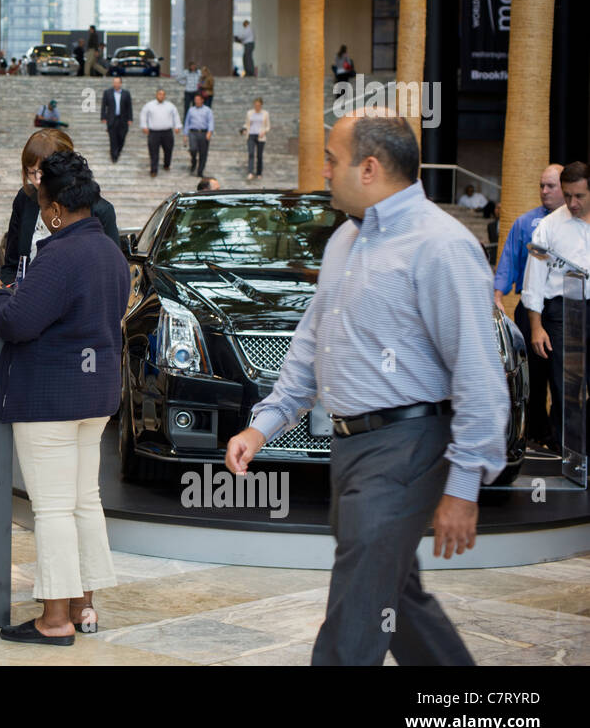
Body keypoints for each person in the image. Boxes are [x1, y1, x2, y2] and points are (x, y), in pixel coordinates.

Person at [227, 110, 507, 666]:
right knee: (395, 598)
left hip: (407, 448)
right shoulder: (345, 241)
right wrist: (266, 423)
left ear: (370, 167)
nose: (324, 171)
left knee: (355, 614)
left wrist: (465, 485)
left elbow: (479, 371)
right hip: (352, 447)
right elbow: (313, 342)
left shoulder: (441, 246)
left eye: (332, 160)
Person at [0, 151, 129, 645]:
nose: (41, 212)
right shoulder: (110, 251)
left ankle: (55, 620)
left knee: (53, 509)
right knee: (86, 501)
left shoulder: (60, 254)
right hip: (97, 397)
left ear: (57, 208)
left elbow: (17, 322)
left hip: (52, 400)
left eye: (43, 204)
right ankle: (84, 607)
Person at [522, 162, 590, 458]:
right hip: (562, 313)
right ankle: (572, 456)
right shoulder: (549, 226)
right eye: (569, 195)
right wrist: (536, 326)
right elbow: (533, 281)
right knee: (567, 389)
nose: (573, 203)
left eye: (580, 196)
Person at [494, 165, 563, 452]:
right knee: (531, 376)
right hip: (530, 307)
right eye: (541, 186)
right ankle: (534, 435)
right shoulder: (526, 223)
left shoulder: (576, 224)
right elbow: (508, 260)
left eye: (551, 186)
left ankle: (560, 439)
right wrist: (497, 294)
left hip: (563, 309)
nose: (544, 191)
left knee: (560, 377)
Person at [0, 129, 121, 285]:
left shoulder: (100, 211)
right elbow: (11, 265)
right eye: (31, 172)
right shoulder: (25, 199)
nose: (37, 180)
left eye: (42, 172)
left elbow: (111, 275)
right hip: (28, 300)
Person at [138, 87, 180, 177]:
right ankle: (153, 170)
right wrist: (144, 126)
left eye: (163, 94)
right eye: (159, 94)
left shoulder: (170, 106)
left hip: (167, 132)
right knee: (153, 152)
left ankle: (166, 164)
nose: (161, 96)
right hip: (154, 132)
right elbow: (143, 115)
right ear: (156, 95)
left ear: (165, 96)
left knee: (168, 150)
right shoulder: (149, 105)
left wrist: (177, 126)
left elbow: (176, 116)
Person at [99, 75, 133, 162]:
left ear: (121, 83)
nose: (116, 84)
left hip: (123, 119)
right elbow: (103, 106)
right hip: (111, 119)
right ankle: (114, 155)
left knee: (122, 137)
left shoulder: (126, 93)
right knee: (113, 138)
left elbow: (129, 107)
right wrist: (103, 117)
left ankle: (118, 150)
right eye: (114, 82)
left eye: (118, 82)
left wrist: (130, 118)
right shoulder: (107, 92)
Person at [184, 92, 214, 177]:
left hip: (203, 132)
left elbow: (210, 122)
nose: (196, 101)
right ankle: (193, 161)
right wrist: (185, 134)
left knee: (203, 153)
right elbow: (187, 122)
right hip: (193, 132)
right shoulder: (191, 110)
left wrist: (210, 132)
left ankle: (200, 171)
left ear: (202, 100)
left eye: (198, 100)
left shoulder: (208, 110)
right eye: (195, 100)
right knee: (193, 149)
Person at [241, 97, 270, 180]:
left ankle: (259, 172)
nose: (257, 107)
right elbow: (247, 124)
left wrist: (264, 132)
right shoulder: (250, 113)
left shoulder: (265, 113)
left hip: (260, 136)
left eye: (259, 105)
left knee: (259, 155)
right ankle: (250, 172)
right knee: (251, 154)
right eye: (255, 105)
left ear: (261, 105)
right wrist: (244, 129)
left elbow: (268, 126)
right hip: (251, 135)